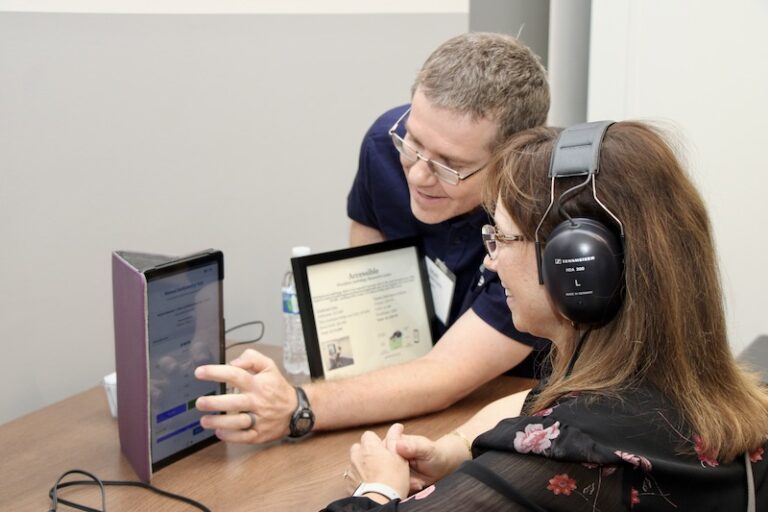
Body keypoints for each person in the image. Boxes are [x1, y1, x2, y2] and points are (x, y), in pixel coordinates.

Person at [321, 122, 768, 511]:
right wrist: (455, 449)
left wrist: (378, 486)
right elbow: (535, 401)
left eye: (500, 236)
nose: (490, 261)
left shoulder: (575, 453)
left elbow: (551, 433)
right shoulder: (698, 393)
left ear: (577, 267)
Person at [193, 33, 551, 443]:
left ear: (511, 159)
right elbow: (366, 295)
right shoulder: (385, 144)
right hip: (399, 389)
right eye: (414, 142)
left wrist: (298, 405)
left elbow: (444, 377)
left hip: (503, 407)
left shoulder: (537, 220)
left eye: (450, 165)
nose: (416, 174)